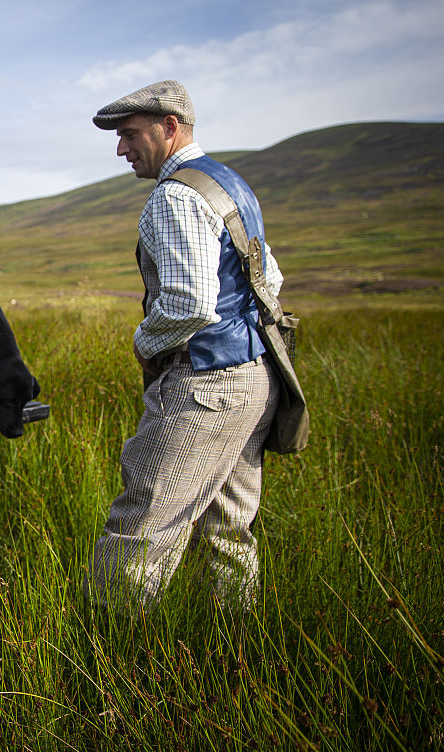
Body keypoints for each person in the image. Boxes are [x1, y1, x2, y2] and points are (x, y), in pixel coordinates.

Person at [86, 80, 284, 613]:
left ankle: (108, 656)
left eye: (129, 135)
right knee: (226, 531)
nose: (121, 150)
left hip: (203, 387)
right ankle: (230, 649)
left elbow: (189, 303)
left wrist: (144, 344)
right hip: (255, 378)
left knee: (139, 532)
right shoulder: (229, 184)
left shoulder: (174, 196)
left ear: (169, 128)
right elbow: (272, 281)